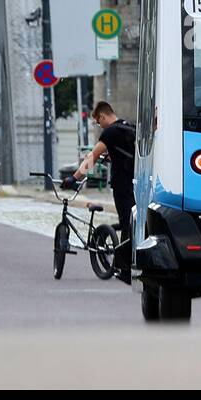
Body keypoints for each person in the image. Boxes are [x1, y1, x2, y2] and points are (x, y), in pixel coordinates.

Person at [70, 101, 135, 278]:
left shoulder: (110, 132)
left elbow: (93, 155)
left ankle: (125, 268)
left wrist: (75, 177)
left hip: (122, 185)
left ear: (103, 116)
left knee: (125, 223)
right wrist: (112, 157)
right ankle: (131, 263)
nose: (99, 126)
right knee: (132, 223)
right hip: (137, 183)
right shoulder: (128, 126)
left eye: (98, 122)